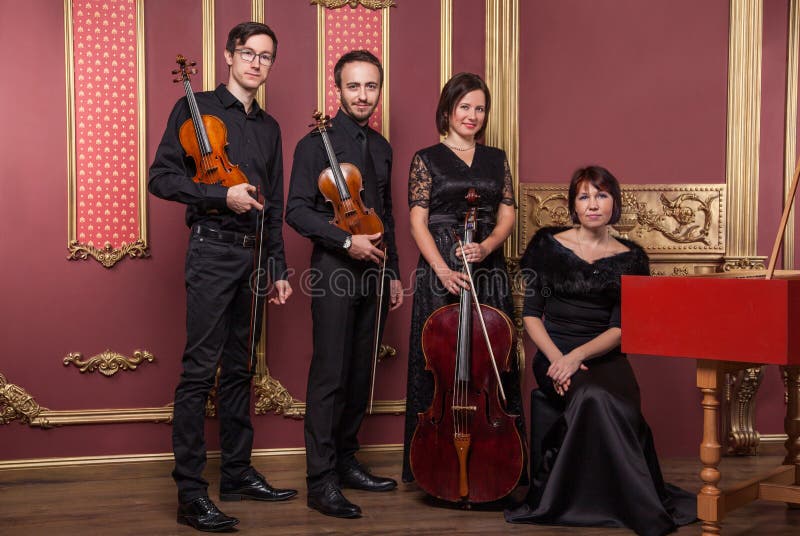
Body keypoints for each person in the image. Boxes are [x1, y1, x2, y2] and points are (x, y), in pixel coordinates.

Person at [149, 21, 297, 532]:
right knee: (199, 373)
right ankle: (191, 494)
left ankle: (236, 472)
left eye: (266, 56)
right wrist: (219, 196)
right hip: (211, 251)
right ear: (231, 56)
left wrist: (277, 266)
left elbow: (273, 204)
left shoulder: (270, 128)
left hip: (254, 257)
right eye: (249, 52)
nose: (257, 62)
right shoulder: (197, 109)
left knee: (240, 370)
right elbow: (161, 177)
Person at [504, 166, 696, 535]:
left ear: (615, 203)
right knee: (592, 397)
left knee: (618, 403)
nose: (593, 204)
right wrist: (560, 360)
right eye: (584, 196)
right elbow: (530, 316)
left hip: (605, 355)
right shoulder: (547, 244)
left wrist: (578, 357)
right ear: (573, 205)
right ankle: (583, 499)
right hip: (554, 352)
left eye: (602, 195)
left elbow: (621, 329)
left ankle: (625, 499)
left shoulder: (632, 258)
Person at [286, 49, 403, 519]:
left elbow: (386, 215)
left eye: (371, 86)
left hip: (375, 270)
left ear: (379, 90)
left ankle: (347, 461)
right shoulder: (314, 143)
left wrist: (392, 273)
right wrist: (344, 240)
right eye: (354, 86)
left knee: (360, 372)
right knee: (330, 373)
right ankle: (320, 480)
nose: (363, 95)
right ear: (338, 89)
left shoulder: (384, 147)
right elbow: (295, 210)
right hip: (335, 269)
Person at [401, 72, 525, 484]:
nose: (472, 115)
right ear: (448, 110)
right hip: (442, 267)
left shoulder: (496, 158)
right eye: (464, 107)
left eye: (480, 108)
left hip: (485, 266)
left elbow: (507, 212)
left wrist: (487, 246)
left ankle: (500, 456)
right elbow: (417, 219)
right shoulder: (426, 158)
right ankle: (431, 459)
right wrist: (441, 269)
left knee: (492, 361)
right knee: (438, 362)